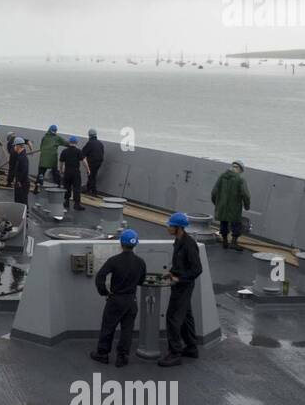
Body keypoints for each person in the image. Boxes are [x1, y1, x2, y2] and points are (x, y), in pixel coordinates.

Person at [90, 229, 146, 367]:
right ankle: (122, 357)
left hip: (116, 300)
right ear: (135, 244)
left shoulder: (114, 260)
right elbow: (141, 280)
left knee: (108, 327)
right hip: (131, 301)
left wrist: (104, 292)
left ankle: (103, 354)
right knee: (127, 330)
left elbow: (100, 277)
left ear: (121, 243)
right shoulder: (140, 262)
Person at [159, 212, 202, 367]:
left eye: (170, 225)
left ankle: (175, 353)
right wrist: (171, 273)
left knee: (173, 317)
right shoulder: (178, 241)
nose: (168, 227)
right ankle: (191, 347)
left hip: (183, 286)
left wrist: (179, 279)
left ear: (178, 228)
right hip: (180, 284)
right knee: (186, 316)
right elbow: (180, 264)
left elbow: (197, 269)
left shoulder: (189, 245)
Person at [211, 160, 251, 250]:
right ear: (240, 169)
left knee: (223, 222)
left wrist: (217, 203)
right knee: (236, 224)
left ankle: (225, 241)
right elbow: (246, 195)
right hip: (235, 207)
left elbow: (214, 192)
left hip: (222, 206)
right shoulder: (240, 179)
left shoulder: (222, 177)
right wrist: (247, 206)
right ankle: (233, 242)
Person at [36, 124, 65, 190]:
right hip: (52, 159)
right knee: (55, 173)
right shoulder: (57, 138)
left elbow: (41, 147)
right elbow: (66, 143)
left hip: (43, 159)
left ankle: (37, 187)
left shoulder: (44, 137)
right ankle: (59, 185)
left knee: (41, 173)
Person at [59, 135, 84, 210]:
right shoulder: (78, 151)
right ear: (76, 143)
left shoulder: (64, 151)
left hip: (67, 172)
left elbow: (61, 162)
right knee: (76, 188)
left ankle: (66, 202)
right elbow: (84, 161)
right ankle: (77, 204)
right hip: (76, 172)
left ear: (69, 142)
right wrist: (88, 169)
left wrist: (61, 170)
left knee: (67, 187)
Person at [81, 128, 105, 196]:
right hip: (99, 162)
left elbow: (83, 152)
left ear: (89, 135)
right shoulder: (100, 143)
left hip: (92, 162)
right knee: (93, 175)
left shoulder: (90, 143)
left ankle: (94, 192)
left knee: (91, 176)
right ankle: (88, 188)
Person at [8, 136, 31, 205]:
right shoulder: (20, 156)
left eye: (14, 146)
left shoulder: (22, 157)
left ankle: (24, 215)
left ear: (18, 146)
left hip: (22, 183)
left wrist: (19, 181)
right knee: (19, 201)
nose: (14, 147)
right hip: (21, 182)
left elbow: (24, 170)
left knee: (22, 201)